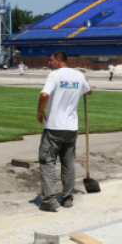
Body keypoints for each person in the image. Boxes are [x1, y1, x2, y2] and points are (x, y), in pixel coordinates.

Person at [36, 51, 91, 212]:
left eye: (51, 60)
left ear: (59, 61)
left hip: (54, 126)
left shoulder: (55, 75)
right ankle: (67, 197)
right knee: (68, 163)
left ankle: (50, 201)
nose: (49, 62)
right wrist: (84, 83)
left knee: (47, 162)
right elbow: (89, 91)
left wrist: (40, 110)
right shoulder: (79, 75)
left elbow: (45, 94)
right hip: (71, 128)